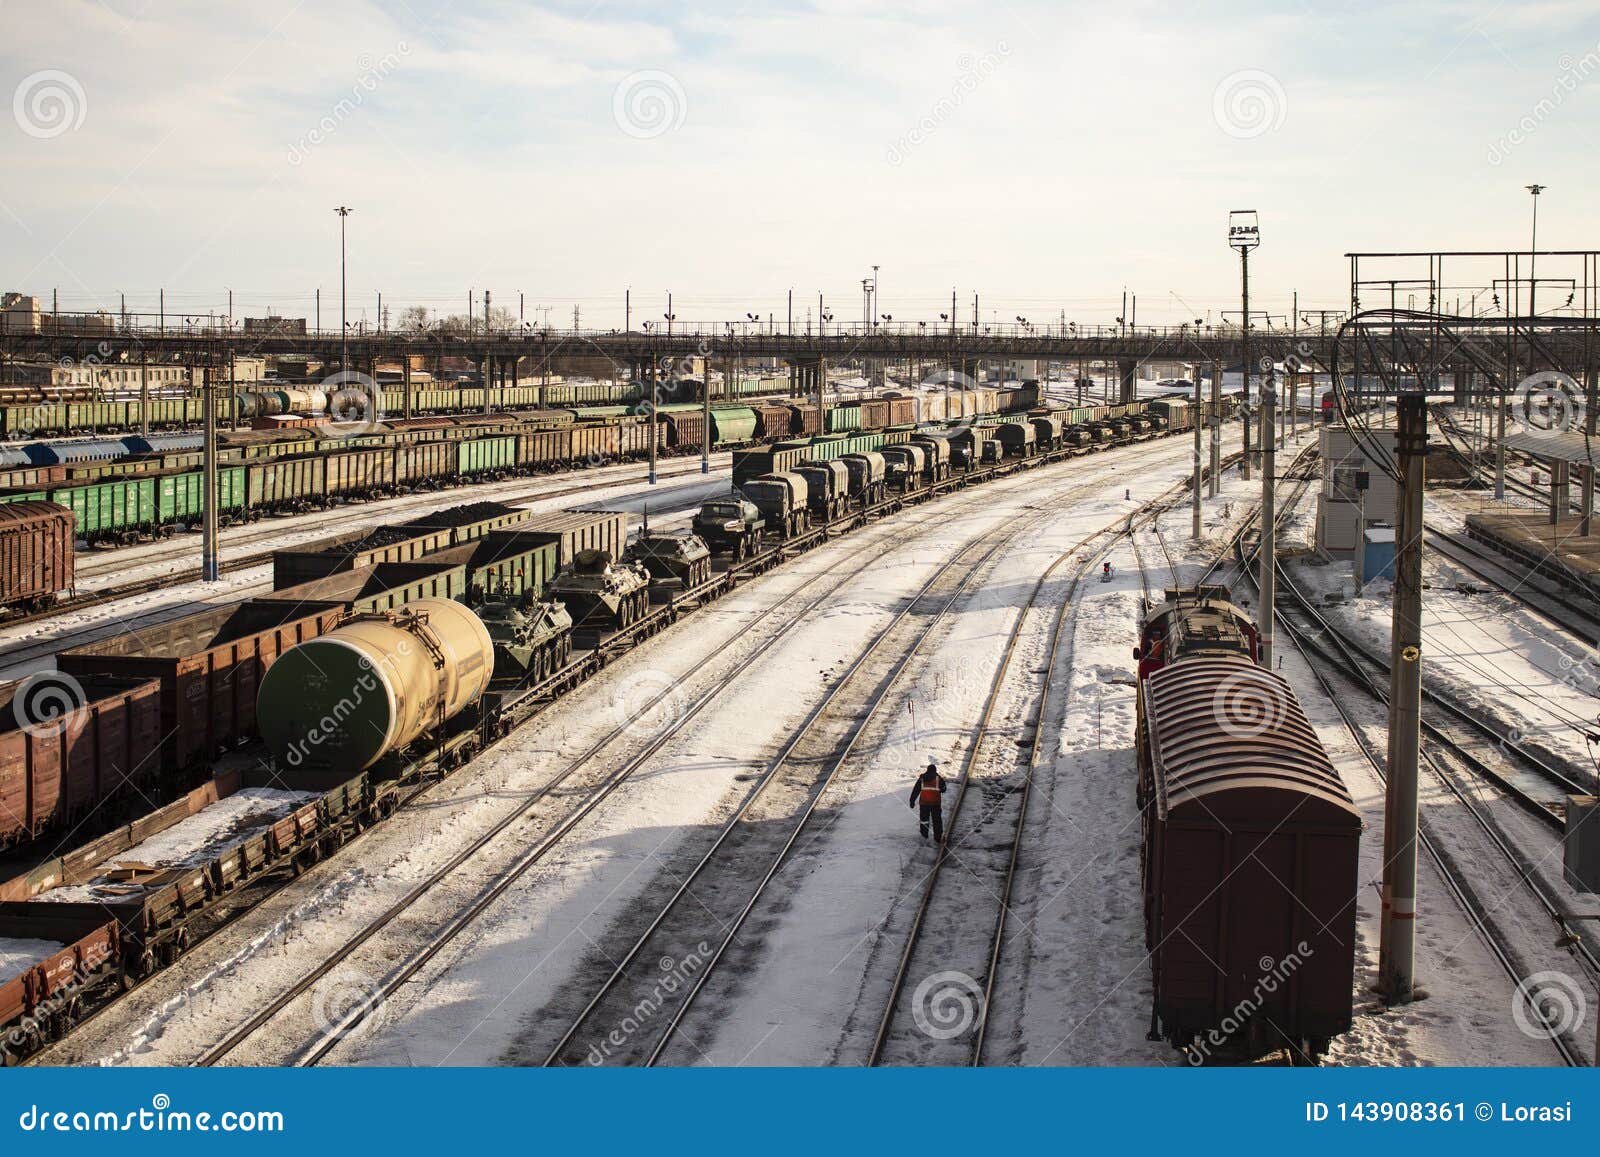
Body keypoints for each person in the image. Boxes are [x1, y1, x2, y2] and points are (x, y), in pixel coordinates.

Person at [908, 762, 947, 843]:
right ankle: (938, 837)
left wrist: (912, 800)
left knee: (924, 820)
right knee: (937, 820)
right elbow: (943, 789)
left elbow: (916, 790)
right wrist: (940, 789)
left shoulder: (922, 778)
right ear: (935, 770)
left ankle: (924, 835)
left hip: (924, 803)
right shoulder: (938, 778)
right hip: (935, 803)